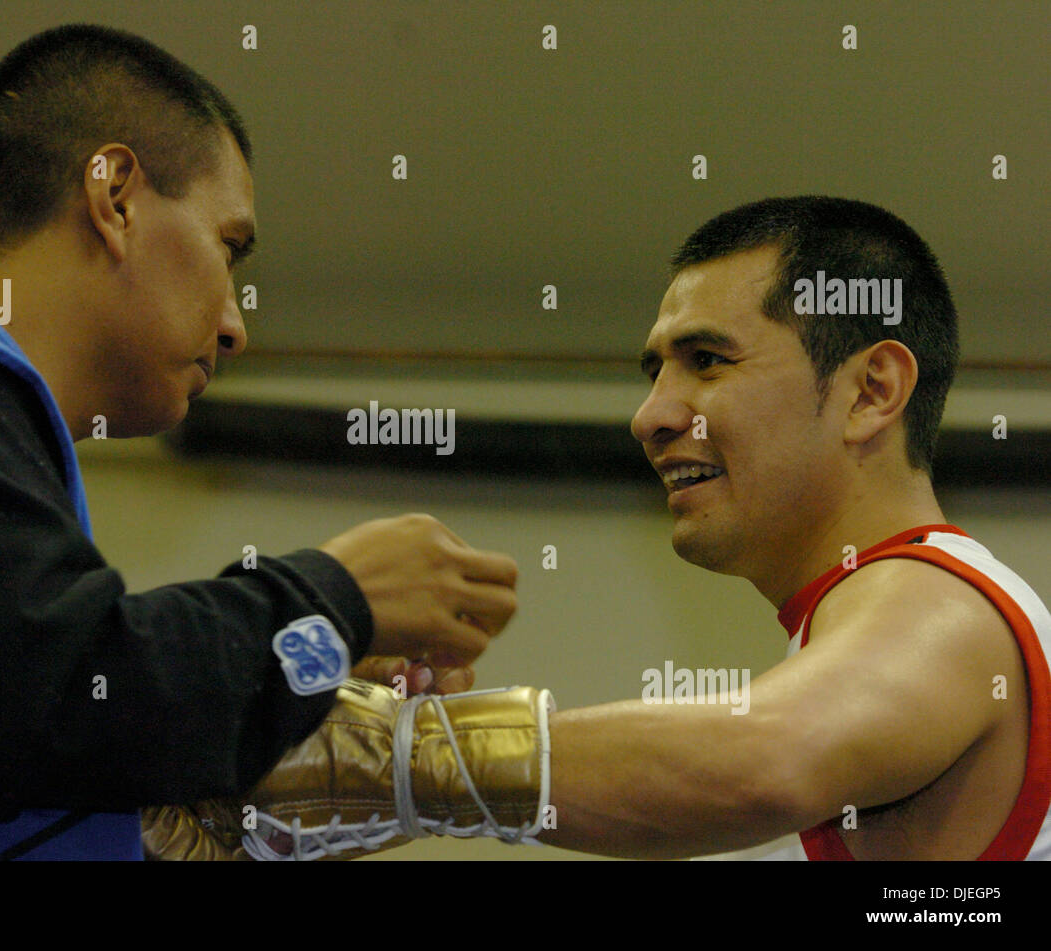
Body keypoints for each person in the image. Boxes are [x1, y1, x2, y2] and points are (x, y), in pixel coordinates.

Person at [0, 24, 518, 861]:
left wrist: (299, 689)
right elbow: (40, 702)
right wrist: (332, 598)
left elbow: (40, 743)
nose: (235, 326)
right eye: (230, 249)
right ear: (114, 196)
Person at [150, 196, 1049, 861]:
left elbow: (766, 757)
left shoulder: (941, 602)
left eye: (706, 361)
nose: (650, 415)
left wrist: (395, 756)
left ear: (872, 391)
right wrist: (385, 780)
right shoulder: (874, 626)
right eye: (656, 371)